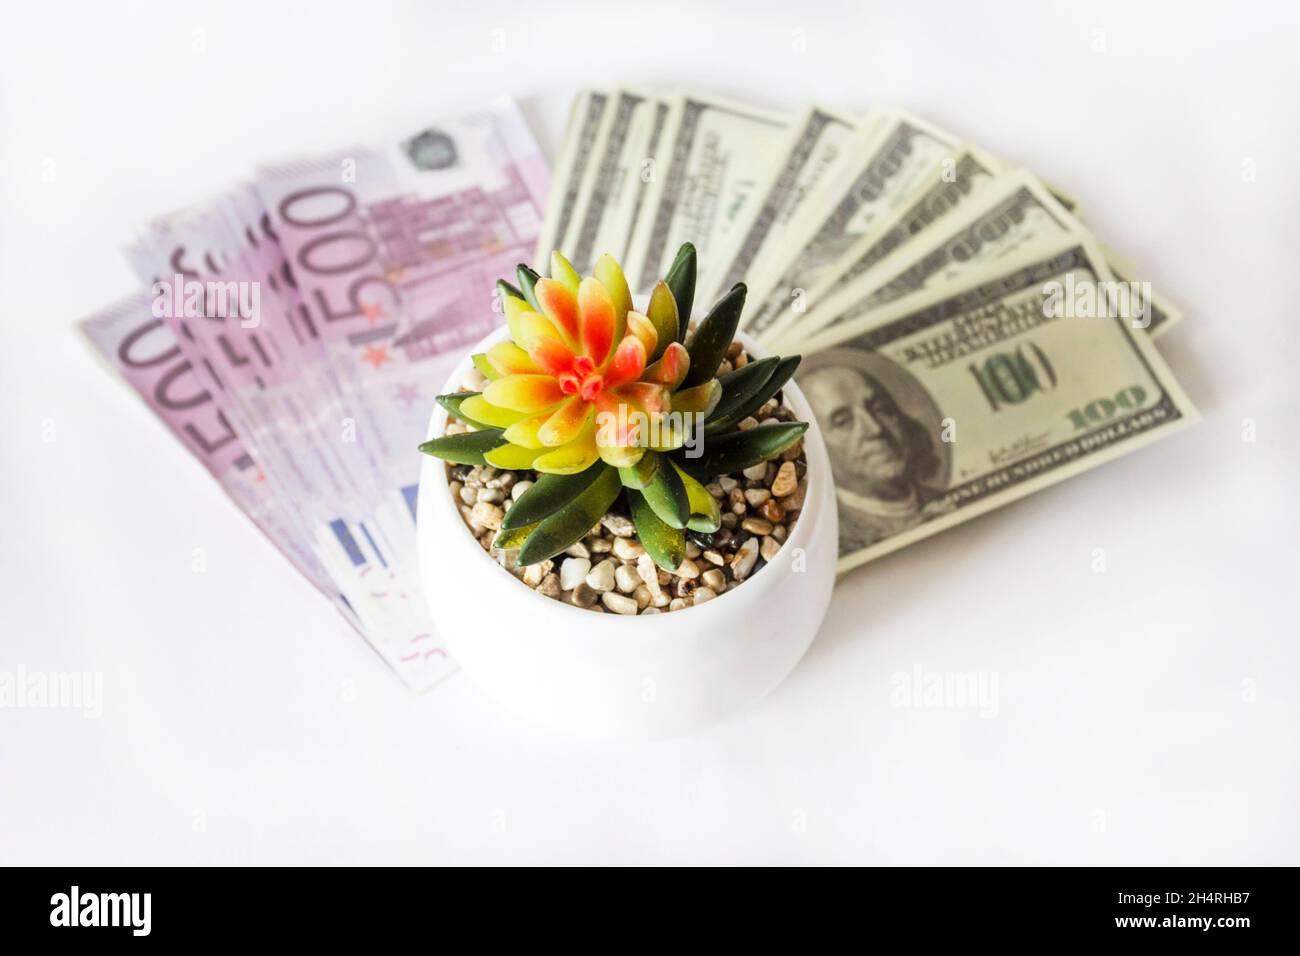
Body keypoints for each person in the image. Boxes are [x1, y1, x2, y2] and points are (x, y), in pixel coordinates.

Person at [802, 362, 945, 554]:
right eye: (843, 422)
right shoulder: (825, 536)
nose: (875, 429)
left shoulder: (947, 501)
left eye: (880, 409)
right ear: (811, 446)